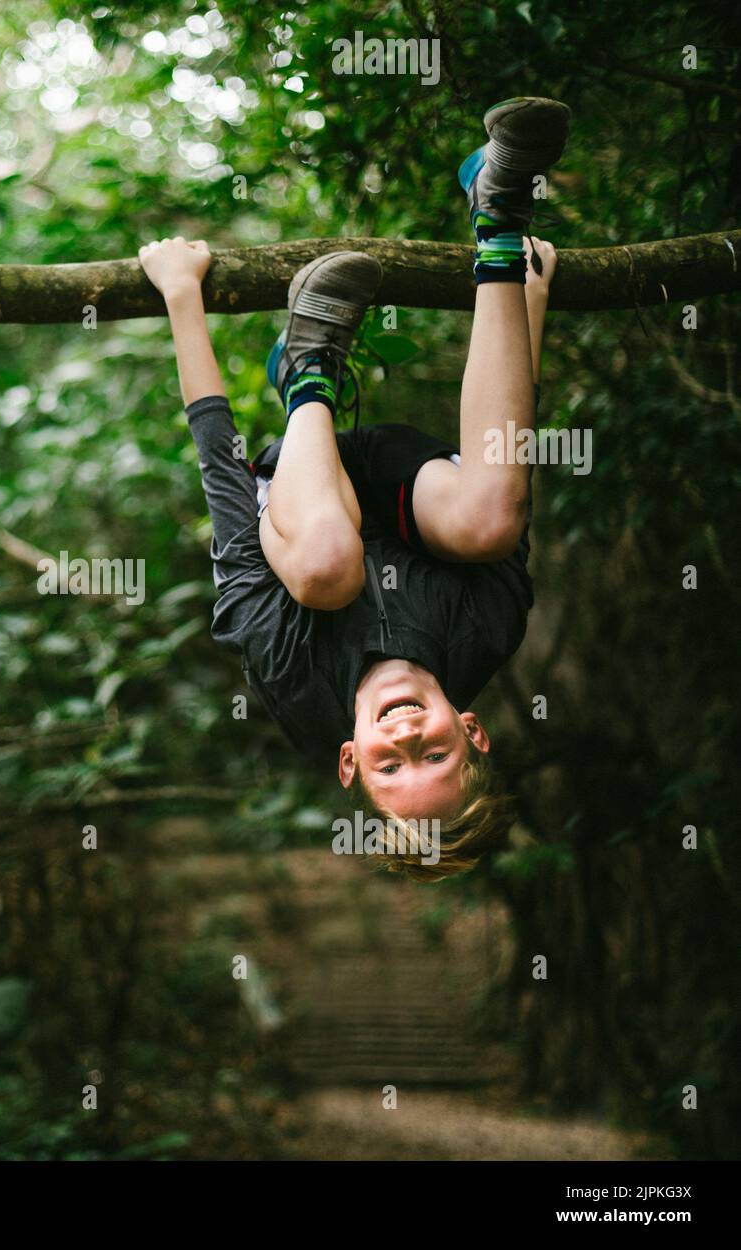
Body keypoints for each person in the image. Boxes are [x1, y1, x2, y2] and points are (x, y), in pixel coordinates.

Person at [138, 97, 571, 880]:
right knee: (491, 525)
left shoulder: (291, 676)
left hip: (300, 497)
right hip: (403, 485)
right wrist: (523, 302)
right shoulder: (487, 629)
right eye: (432, 753)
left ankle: (309, 373)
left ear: (349, 761)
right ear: (470, 729)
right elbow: (507, 473)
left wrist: (181, 297)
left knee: (328, 570)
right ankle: (497, 213)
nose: (406, 741)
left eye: (390, 768)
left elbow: (225, 489)